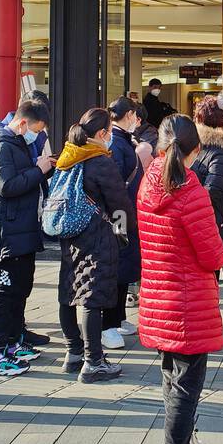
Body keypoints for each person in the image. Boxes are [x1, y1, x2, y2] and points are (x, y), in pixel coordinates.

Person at [137, 114, 223, 444]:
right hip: (188, 303)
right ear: (195, 151)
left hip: (159, 300)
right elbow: (213, 256)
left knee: (171, 378)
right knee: (186, 386)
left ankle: (185, 443)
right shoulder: (190, 190)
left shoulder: (149, 181)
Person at [53, 108, 135, 382]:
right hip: (97, 235)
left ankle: (73, 353)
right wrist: (124, 234)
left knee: (69, 292)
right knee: (92, 296)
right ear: (102, 134)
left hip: (69, 234)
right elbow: (120, 205)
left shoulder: (68, 156)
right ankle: (94, 361)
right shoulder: (100, 161)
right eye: (109, 132)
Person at [0, 98, 54, 377]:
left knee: (20, 289)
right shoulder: (0, 145)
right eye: (36, 129)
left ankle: (12, 343)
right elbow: (6, 185)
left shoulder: (17, 143)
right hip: (5, 232)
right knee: (5, 293)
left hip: (22, 229)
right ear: (22, 123)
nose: (36, 135)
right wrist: (39, 169)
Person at [103, 97, 144, 348]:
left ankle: (118, 317)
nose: (136, 121)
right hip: (120, 215)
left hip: (125, 213)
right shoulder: (117, 143)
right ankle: (108, 324)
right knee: (117, 267)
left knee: (124, 267)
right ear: (128, 114)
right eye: (135, 116)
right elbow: (115, 183)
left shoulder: (122, 140)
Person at [191, 96, 223, 284]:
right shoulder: (222, 150)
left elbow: (214, 187)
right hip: (211, 214)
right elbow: (216, 186)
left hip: (205, 216)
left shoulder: (193, 146)